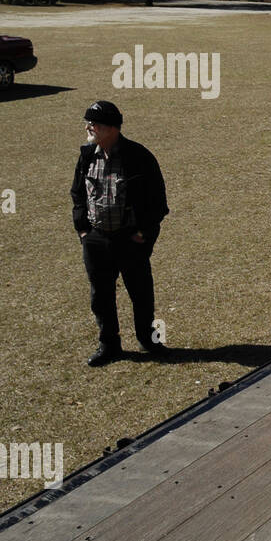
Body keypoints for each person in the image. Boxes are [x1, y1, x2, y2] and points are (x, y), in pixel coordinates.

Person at [71, 101, 170, 366]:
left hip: (129, 239)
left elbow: (158, 202)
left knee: (140, 292)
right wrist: (83, 229)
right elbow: (78, 193)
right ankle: (109, 345)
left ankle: (148, 340)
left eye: (94, 124)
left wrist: (143, 235)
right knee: (100, 295)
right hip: (96, 238)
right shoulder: (87, 155)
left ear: (111, 128)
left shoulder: (138, 157)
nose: (88, 128)